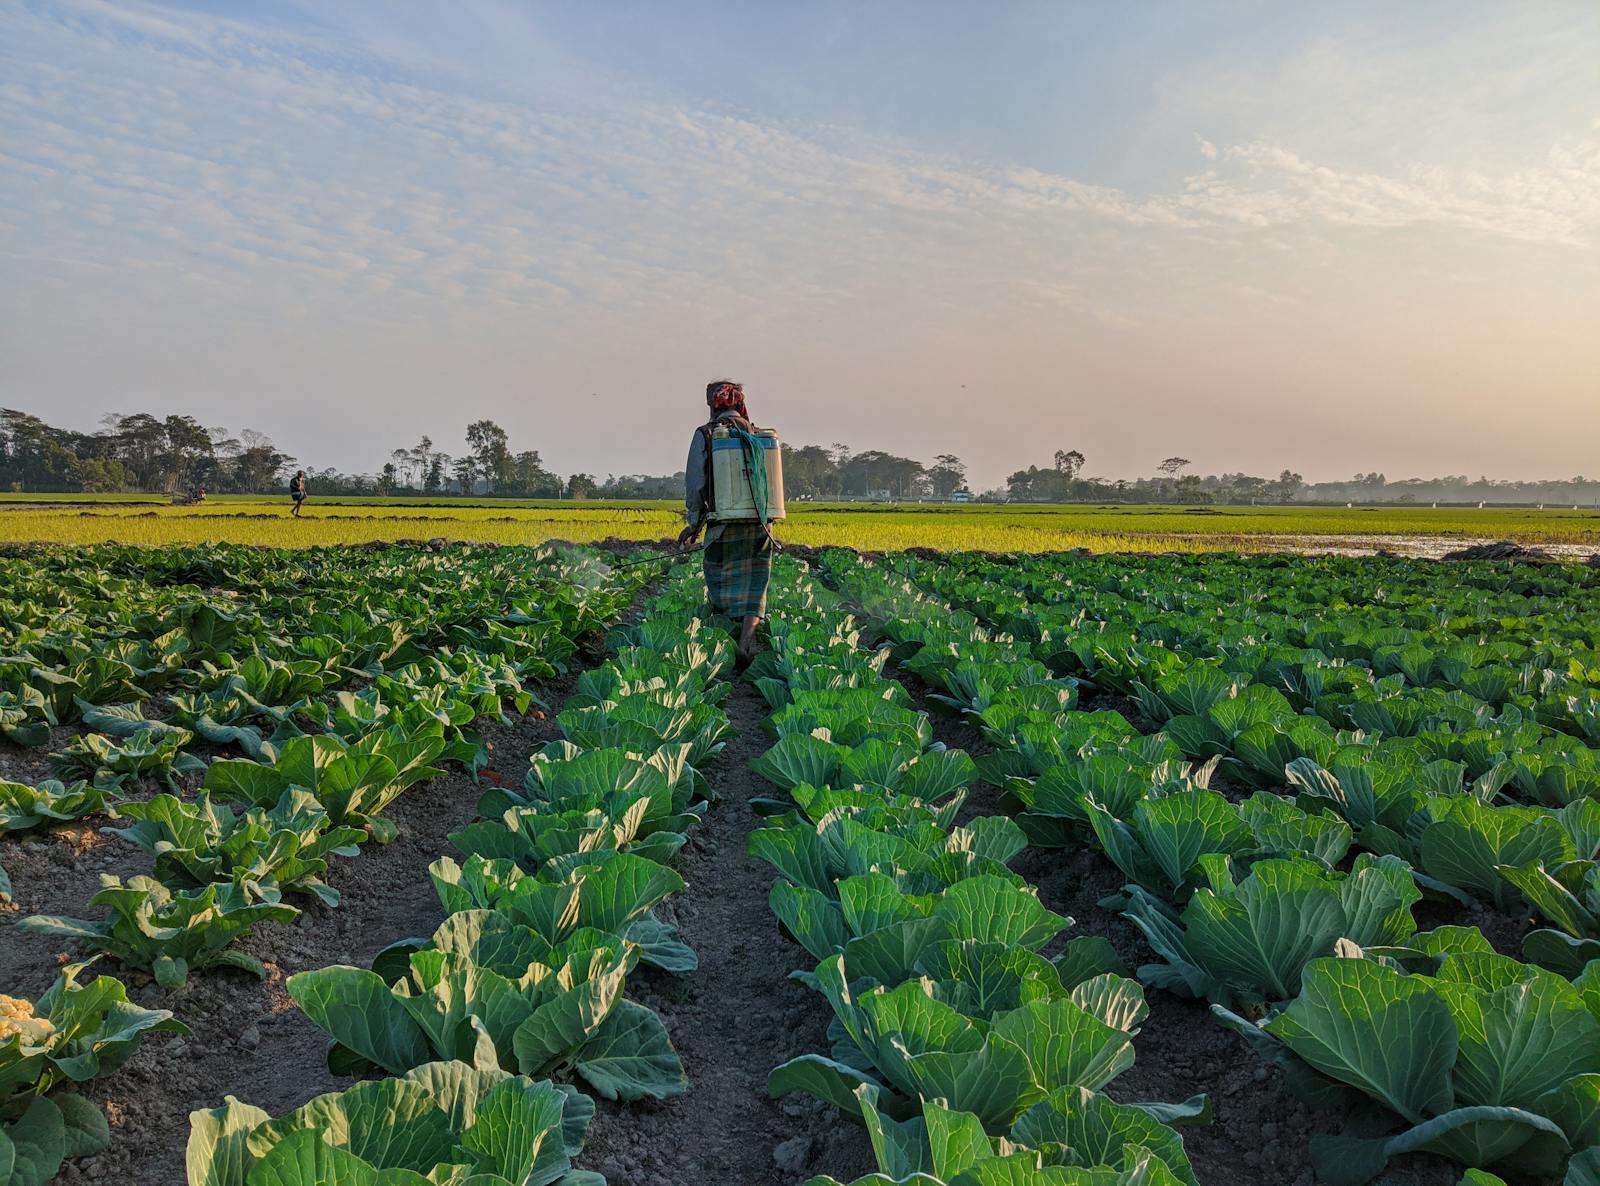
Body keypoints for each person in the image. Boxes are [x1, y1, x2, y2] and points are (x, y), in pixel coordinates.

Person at [678, 380, 773, 662]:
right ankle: (746, 641)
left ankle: (722, 643)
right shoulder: (757, 434)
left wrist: (693, 524)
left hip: (722, 524)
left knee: (720, 579)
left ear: (712, 404)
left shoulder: (706, 434)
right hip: (760, 524)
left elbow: (696, 482)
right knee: (756, 583)